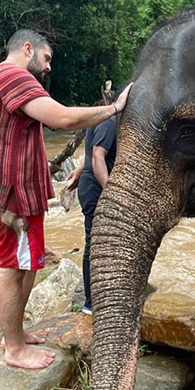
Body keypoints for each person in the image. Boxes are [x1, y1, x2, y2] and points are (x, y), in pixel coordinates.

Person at [0, 30, 130, 370]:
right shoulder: (14, 77)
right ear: (27, 49)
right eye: (46, 59)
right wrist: (115, 108)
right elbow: (62, 119)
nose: (48, 68)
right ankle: (13, 348)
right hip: (14, 193)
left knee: (27, 264)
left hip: (7, 190)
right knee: (13, 267)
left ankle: (13, 333)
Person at [74, 113, 117, 313]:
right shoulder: (110, 121)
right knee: (94, 245)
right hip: (95, 189)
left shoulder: (104, 118)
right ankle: (91, 303)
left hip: (90, 184)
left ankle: (103, 294)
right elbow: (98, 155)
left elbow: (91, 151)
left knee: (104, 243)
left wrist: (79, 171)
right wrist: (111, 194)